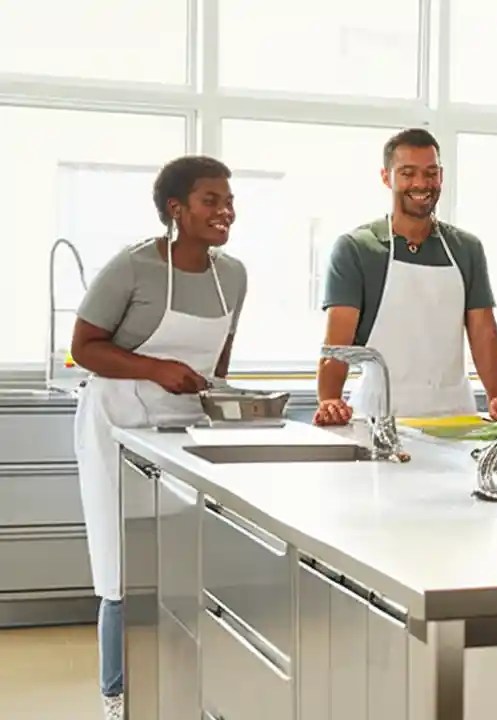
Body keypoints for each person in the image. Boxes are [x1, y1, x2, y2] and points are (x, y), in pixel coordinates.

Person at [71, 156, 247, 720]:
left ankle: (184, 684)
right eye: (210, 201)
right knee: (123, 563)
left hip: (185, 427)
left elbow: (218, 358)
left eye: (228, 200)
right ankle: (118, 696)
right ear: (177, 208)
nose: (225, 211)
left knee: (186, 560)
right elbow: (85, 347)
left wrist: (221, 398)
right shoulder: (133, 267)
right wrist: (153, 369)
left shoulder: (233, 275)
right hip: (118, 422)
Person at [314, 128, 497, 425]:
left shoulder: (466, 249)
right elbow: (337, 341)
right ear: (387, 177)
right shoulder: (357, 249)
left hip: (455, 418)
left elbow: (483, 330)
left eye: (430, 173)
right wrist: (330, 399)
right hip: (378, 418)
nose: (421, 183)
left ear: (441, 176)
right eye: (408, 173)